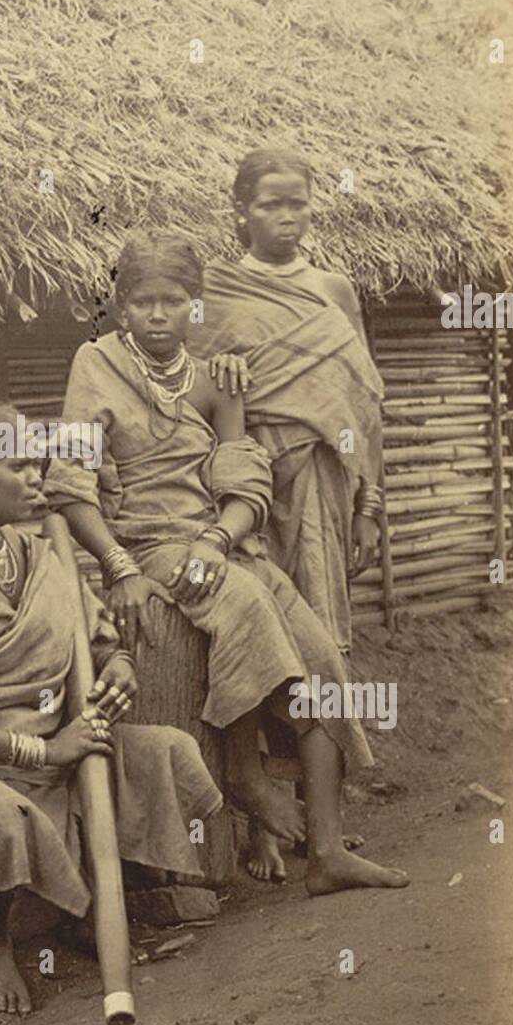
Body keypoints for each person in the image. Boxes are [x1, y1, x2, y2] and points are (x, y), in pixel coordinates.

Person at [44, 230, 408, 898]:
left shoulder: (214, 381)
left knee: (319, 655)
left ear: (195, 307)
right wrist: (120, 568)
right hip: (149, 547)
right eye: (143, 302)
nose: (158, 315)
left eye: (174, 301)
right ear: (120, 307)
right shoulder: (93, 364)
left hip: (219, 544)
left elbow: (246, 485)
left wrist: (217, 539)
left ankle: (326, 851)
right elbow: (70, 485)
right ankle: (241, 773)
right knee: (241, 607)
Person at [0, 401, 224, 1014]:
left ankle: (87, 906)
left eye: (39, 465)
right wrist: (42, 749)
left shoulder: (40, 548)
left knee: (169, 752)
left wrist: (118, 664)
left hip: (57, 745)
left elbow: (96, 638)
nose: (38, 479)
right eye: (20, 467)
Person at [190, 148, 386, 880]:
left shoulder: (333, 289)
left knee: (322, 642)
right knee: (263, 647)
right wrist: (221, 375)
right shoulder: (212, 291)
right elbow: (186, 394)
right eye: (270, 204)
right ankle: (262, 829)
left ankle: (318, 822)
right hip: (251, 489)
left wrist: (371, 503)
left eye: (298, 203)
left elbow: (362, 402)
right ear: (239, 210)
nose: (286, 217)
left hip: (327, 486)